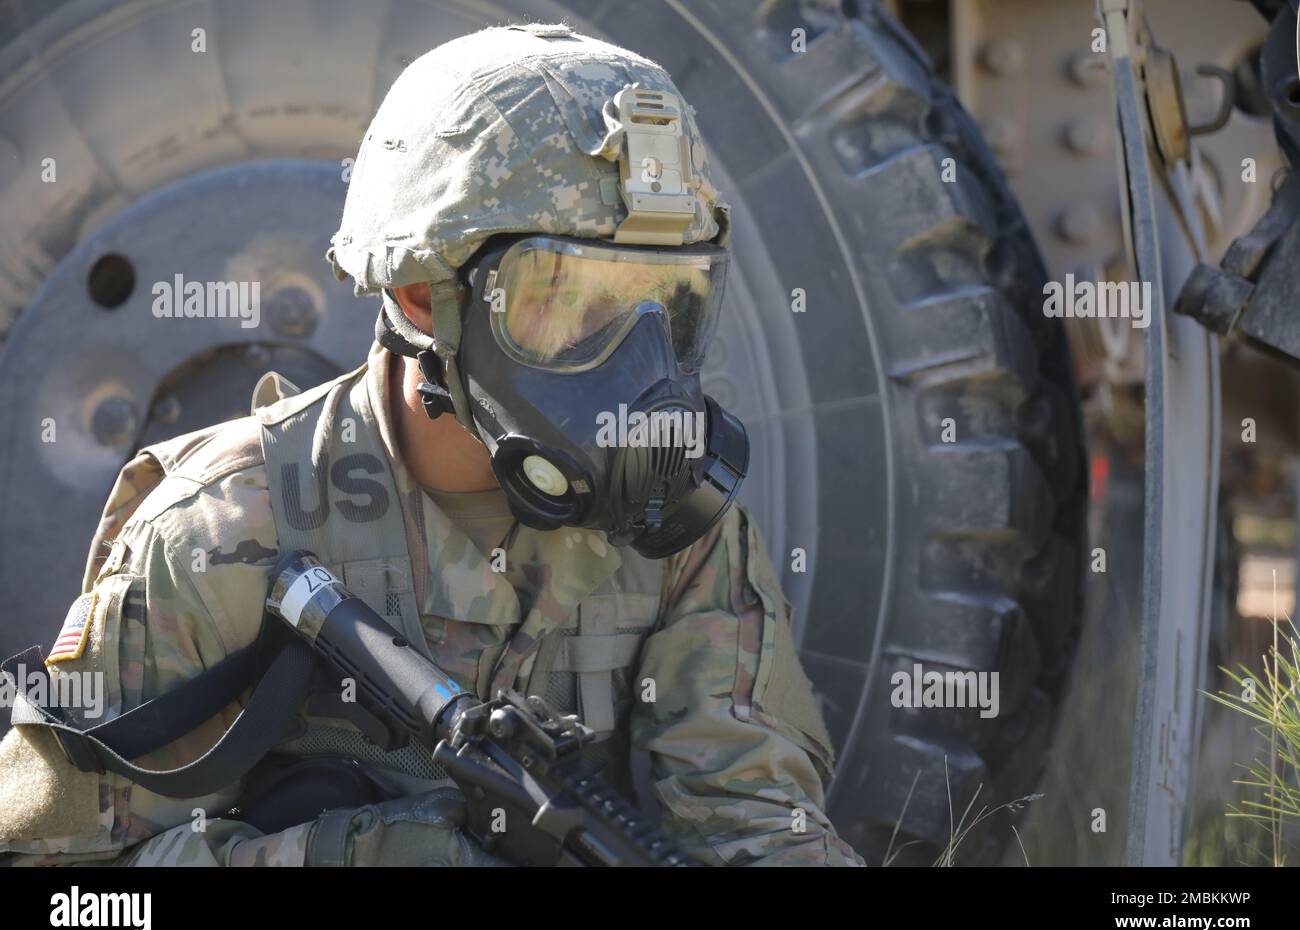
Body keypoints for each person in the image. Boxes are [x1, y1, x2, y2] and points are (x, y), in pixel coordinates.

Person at [0, 23, 863, 867]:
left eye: (666, 300)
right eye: (568, 296)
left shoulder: (673, 521)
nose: (634, 368)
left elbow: (756, 827)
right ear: (422, 294)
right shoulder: (224, 529)